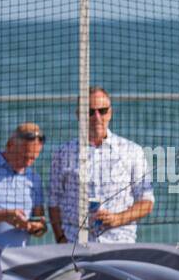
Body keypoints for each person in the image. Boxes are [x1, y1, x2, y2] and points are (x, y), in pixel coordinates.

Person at [48, 87, 155, 243]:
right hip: (75, 244)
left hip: (119, 243)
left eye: (102, 111)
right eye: (90, 112)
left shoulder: (132, 151)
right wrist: (60, 238)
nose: (97, 117)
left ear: (110, 113)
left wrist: (117, 219)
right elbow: (53, 201)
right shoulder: (63, 153)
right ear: (79, 115)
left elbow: (146, 201)